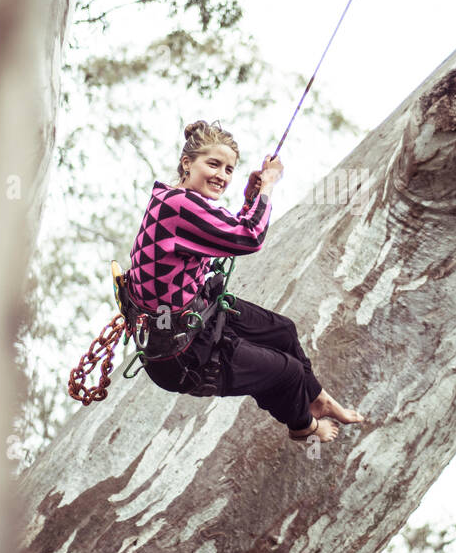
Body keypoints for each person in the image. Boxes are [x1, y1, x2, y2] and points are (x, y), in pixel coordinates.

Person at [125, 119, 364, 445]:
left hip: (197, 316)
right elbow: (249, 236)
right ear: (186, 163)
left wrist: (251, 198)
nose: (221, 175)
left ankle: (317, 397)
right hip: (181, 355)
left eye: (228, 169)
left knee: (283, 331)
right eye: (213, 164)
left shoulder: (173, 200)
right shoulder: (180, 207)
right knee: (287, 372)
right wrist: (267, 188)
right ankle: (304, 425)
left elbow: (227, 228)